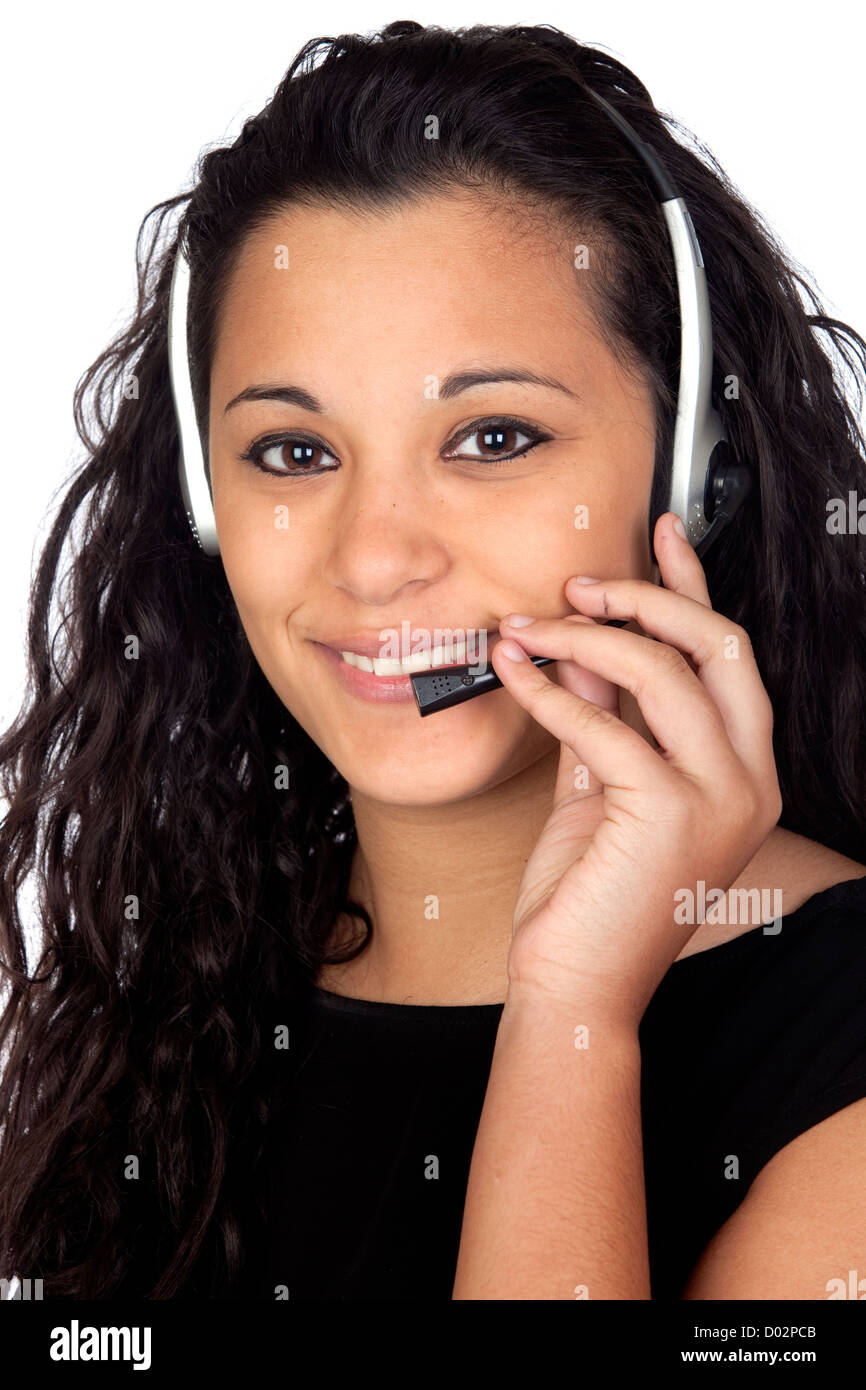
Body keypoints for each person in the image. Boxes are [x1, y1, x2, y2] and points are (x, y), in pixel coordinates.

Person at [1, 20, 865, 1301]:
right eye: (293, 453)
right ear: (204, 505)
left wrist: (570, 1013)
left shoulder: (839, 1043)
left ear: (693, 474)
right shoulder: (178, 982)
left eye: (493, 437)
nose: (374, 559)